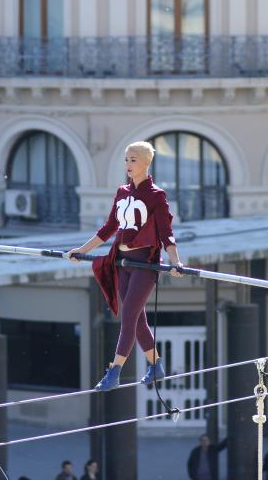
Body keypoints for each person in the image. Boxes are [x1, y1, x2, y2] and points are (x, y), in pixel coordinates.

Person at [66, 141, 185, 390]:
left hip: (144, 265)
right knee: (137, 319)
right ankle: (156, 366)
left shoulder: (156, 196)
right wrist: (82, 250)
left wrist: (176, 263)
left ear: (145, 163)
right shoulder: (122, 192)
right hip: (122, 262)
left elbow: (166, 233)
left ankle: (114, 371)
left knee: (129, 315)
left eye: (133, 159)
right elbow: (108, 228)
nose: (128, 164)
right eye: (126, 159)